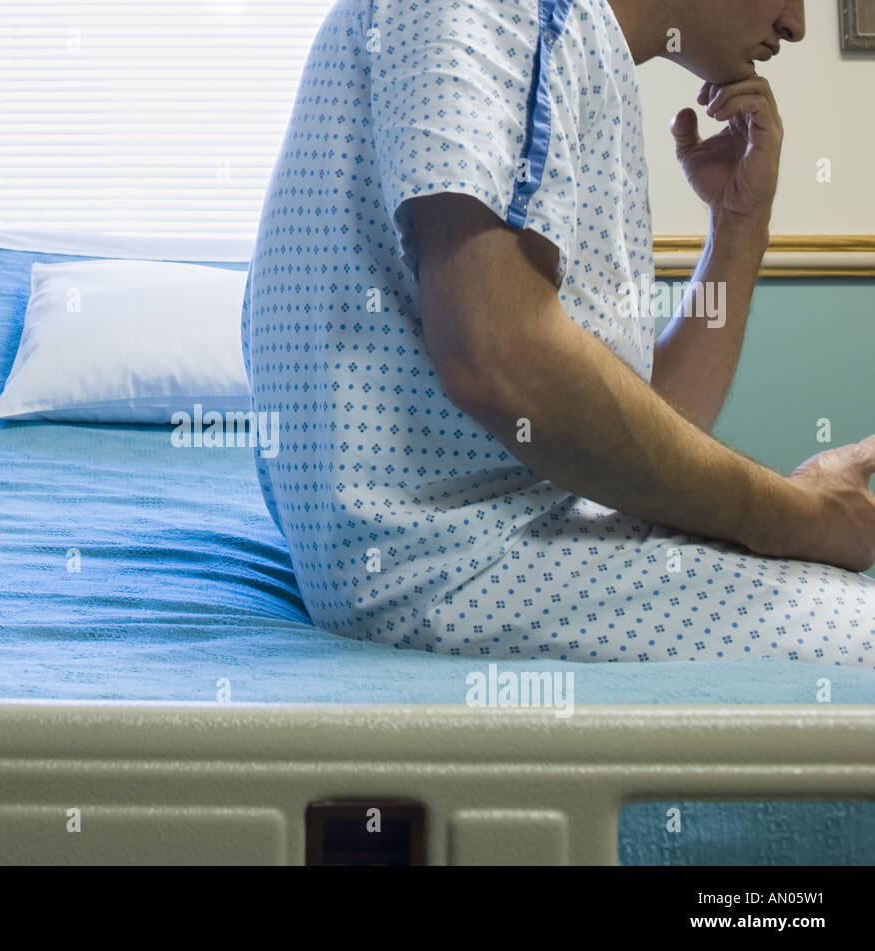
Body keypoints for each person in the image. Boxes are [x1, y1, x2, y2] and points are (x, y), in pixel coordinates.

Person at [243, 0, 875, 667]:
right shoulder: (501, 8)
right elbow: (499, 360)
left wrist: (739, 224)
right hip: (450, 571)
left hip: (459, 553)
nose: (797, 25)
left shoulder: (570, 39)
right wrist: (793, 515)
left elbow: (639, 434)